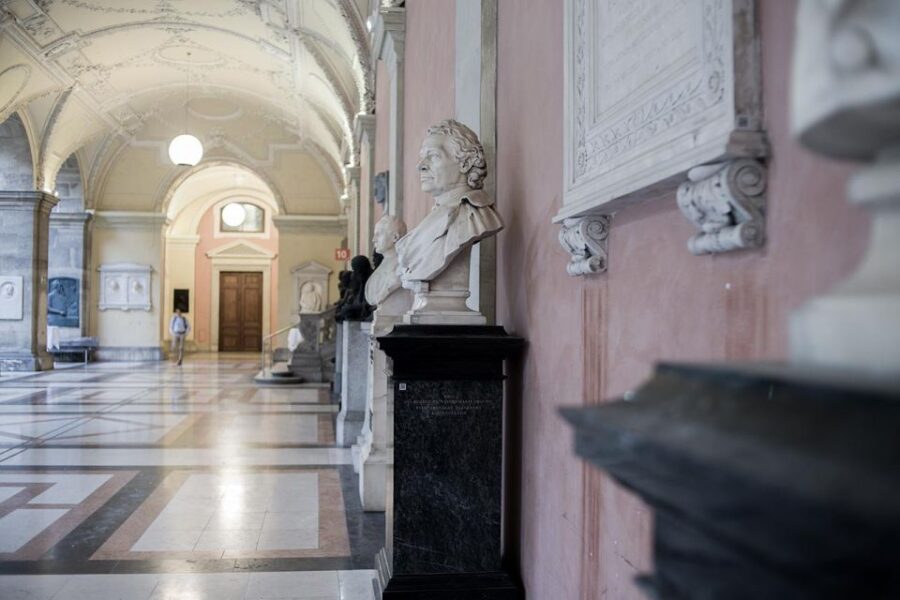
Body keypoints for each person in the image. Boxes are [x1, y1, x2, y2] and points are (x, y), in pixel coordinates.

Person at [395, 119, 503, 285]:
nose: (420, 166)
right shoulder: (435, 215)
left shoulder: (475, 217)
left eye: (433, 156)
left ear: (466, 163)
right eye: (423, 158)